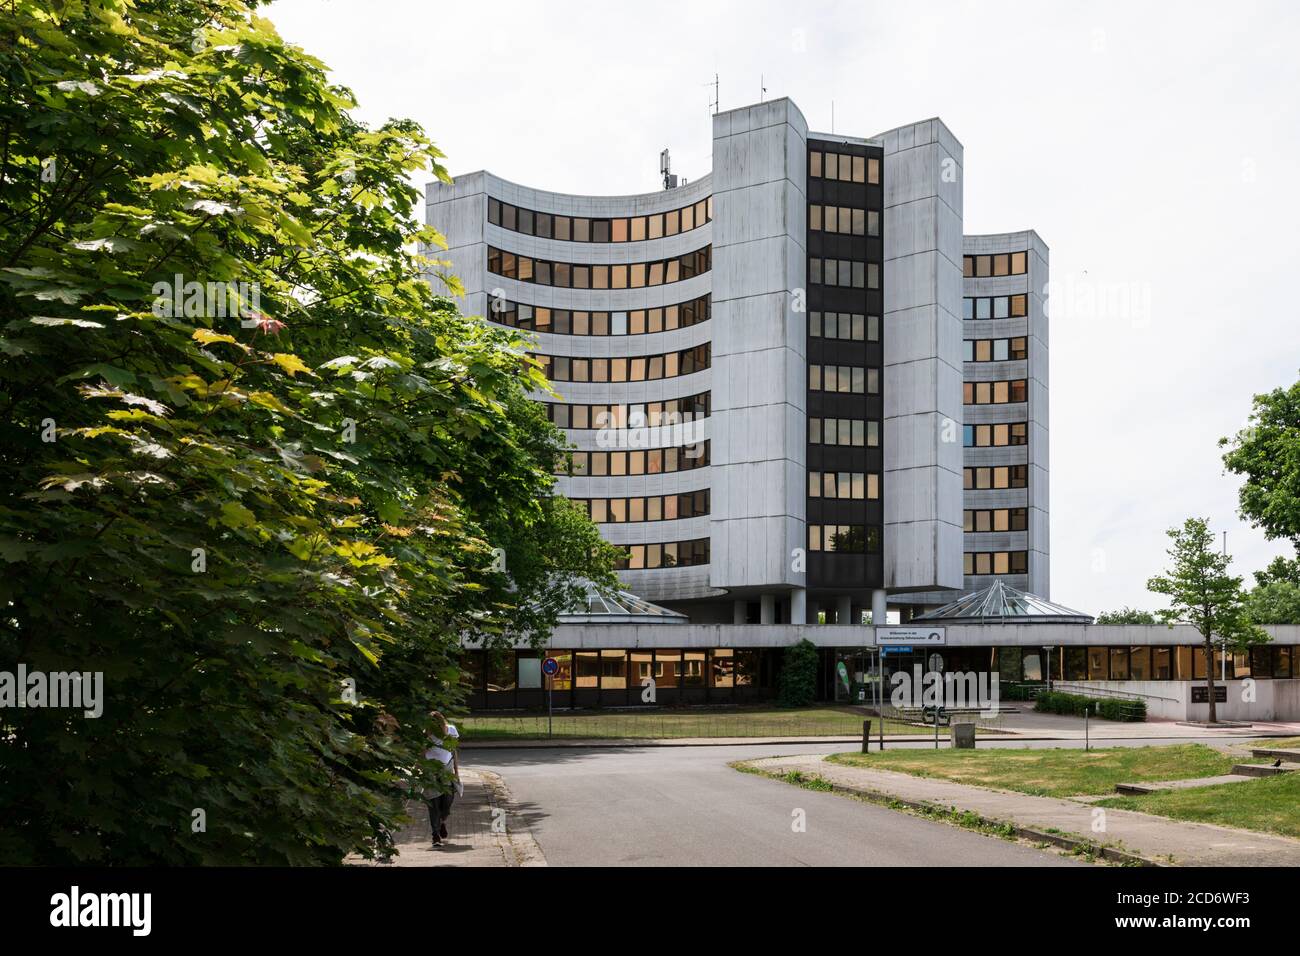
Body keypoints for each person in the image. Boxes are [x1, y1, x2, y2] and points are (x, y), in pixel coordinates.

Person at [425, 711, 461, 848]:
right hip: (430, 770)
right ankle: (435, 835)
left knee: (447, 801)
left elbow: (453, 751)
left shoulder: (451, 730)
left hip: (447, 768)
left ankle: (442, 821)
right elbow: (421, 752)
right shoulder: (426, 733)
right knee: (433, 803)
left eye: (437, 724)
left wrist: (457, 772)